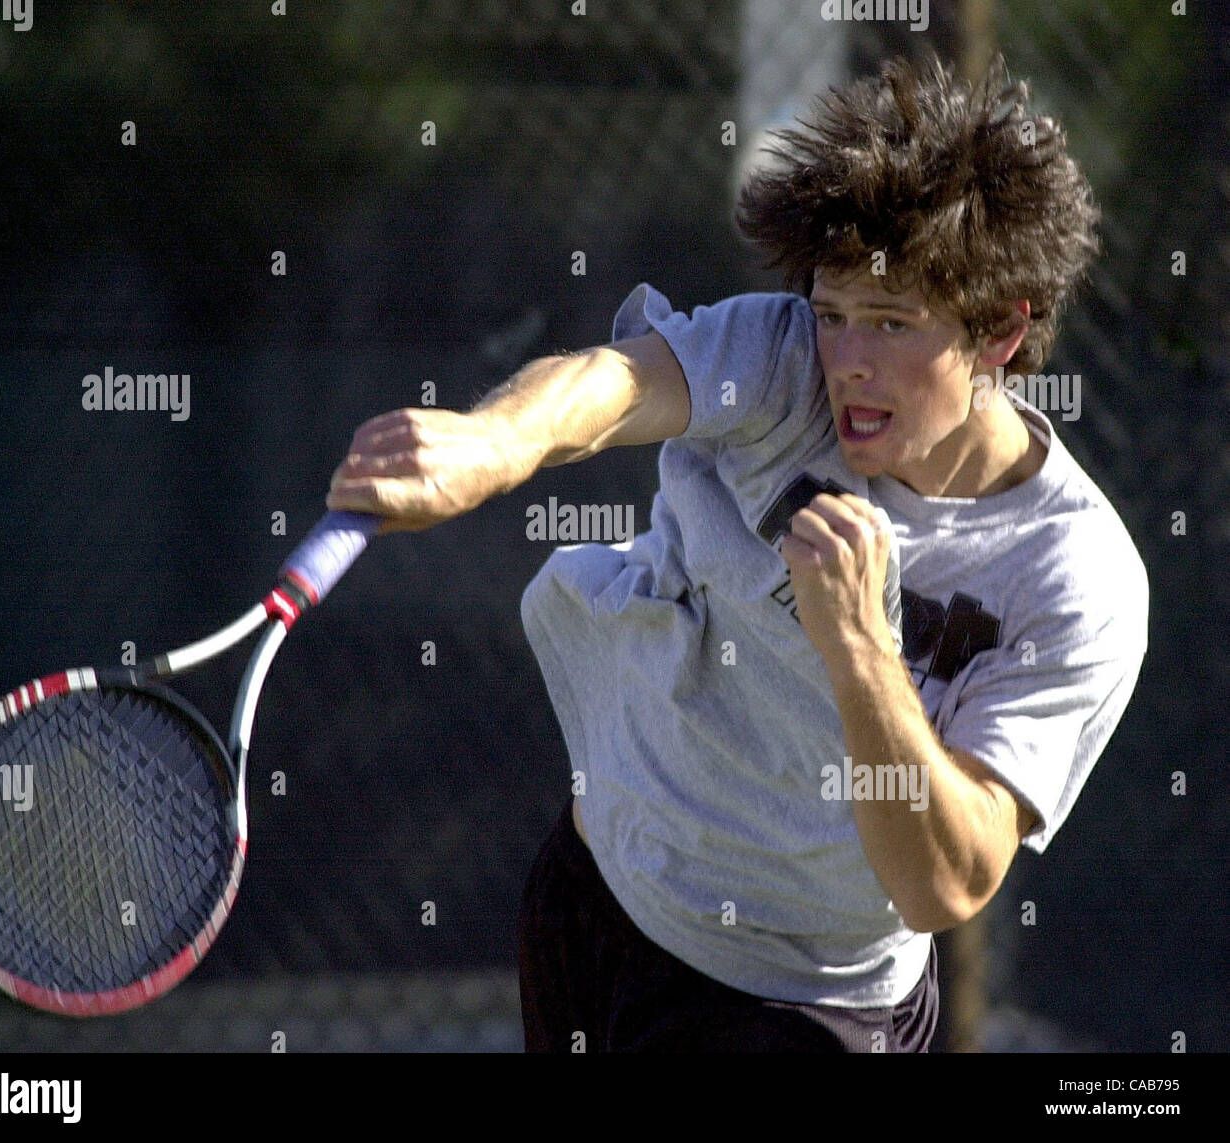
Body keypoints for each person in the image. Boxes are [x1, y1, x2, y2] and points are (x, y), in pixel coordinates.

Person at [324, 54, 1149, 1052]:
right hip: (593, 905)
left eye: (891, 325)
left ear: (1000, 335)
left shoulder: (1074, 578)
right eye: (833, 313)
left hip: (795, 1008)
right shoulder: (779, 357)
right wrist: (494, 444)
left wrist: (860, 650)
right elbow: (613, 384)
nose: (846, 361)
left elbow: (944, 881)